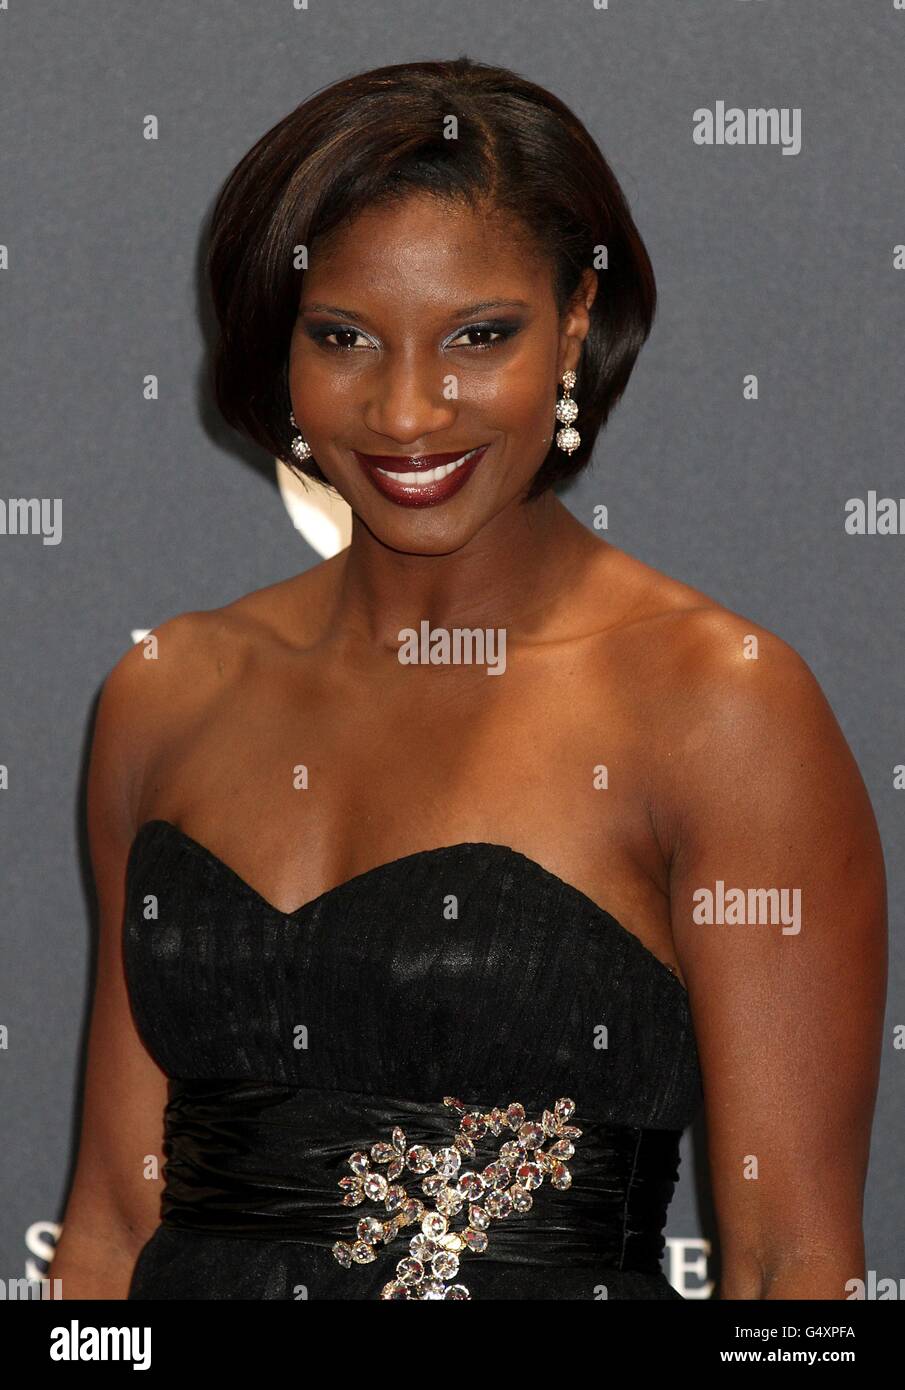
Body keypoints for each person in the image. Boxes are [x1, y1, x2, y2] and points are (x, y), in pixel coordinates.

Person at [51, 57, 886, 1301]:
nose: (406, 410)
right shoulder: (167, 691)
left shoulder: (716, 704)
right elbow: (114, 1224)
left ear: (577, 320)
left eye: (477, 335)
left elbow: (790, 1268)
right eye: (341, 337)